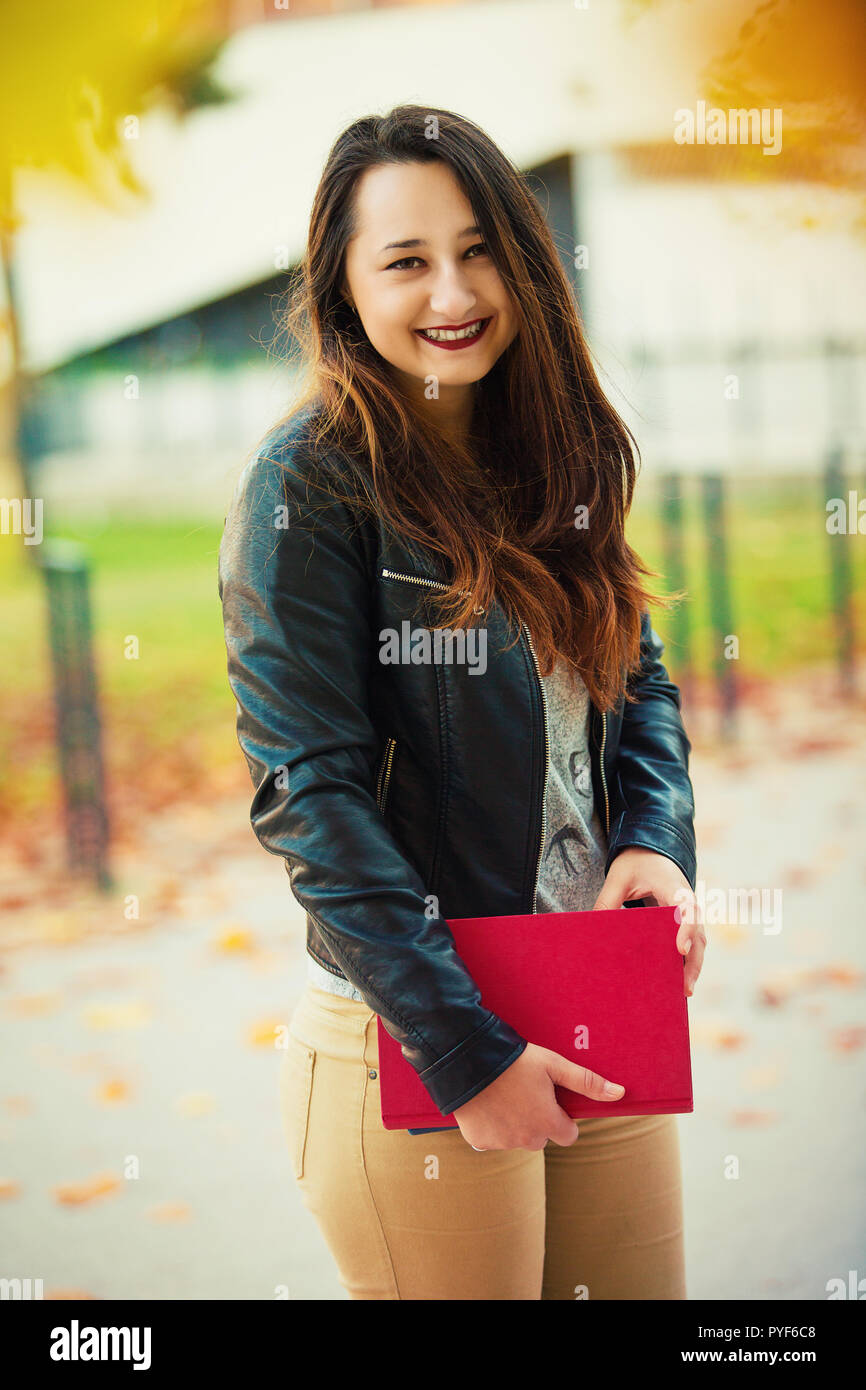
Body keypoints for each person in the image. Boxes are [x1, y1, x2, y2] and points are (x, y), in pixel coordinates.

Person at [218, 105, 704, 1301]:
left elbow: (631, 672)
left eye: (478, 246)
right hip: (417, 1037)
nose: (452, 288)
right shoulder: (308, 486)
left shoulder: (554, 441)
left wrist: (655, 838)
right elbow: (308, 794)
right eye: (405, 260)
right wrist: (463, 1052)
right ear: (341, 286)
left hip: (595, 994)